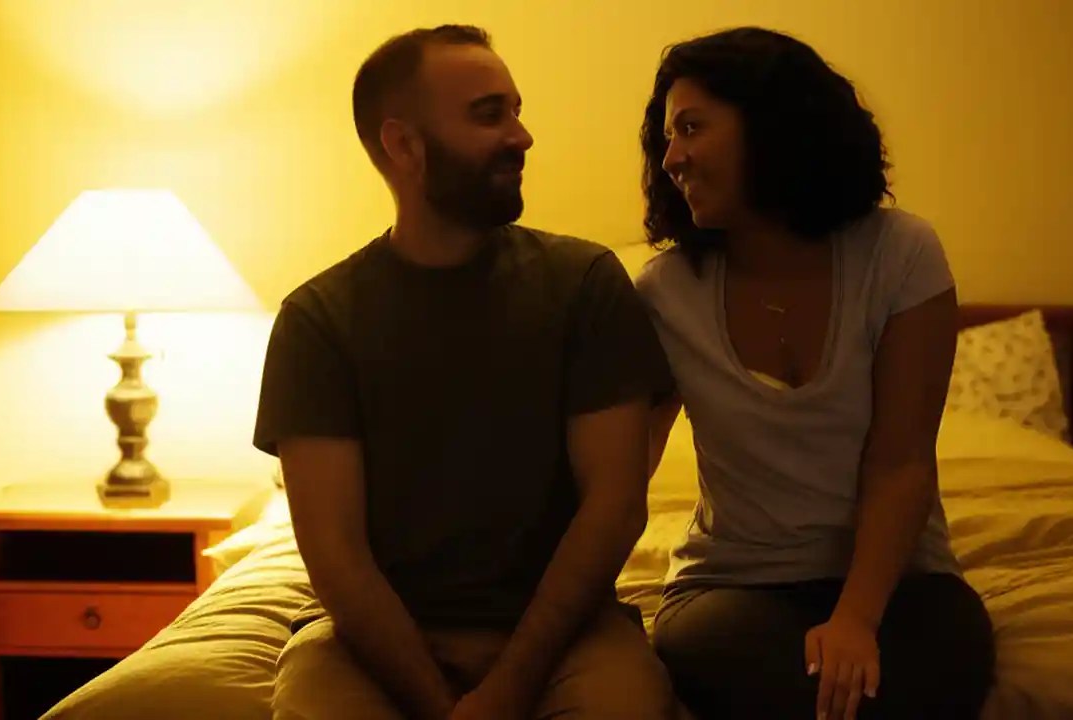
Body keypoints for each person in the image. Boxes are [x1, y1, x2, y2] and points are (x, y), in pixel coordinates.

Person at [253, 25, 676, 720]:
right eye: (489, 115)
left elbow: (615, 505)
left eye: (515, 108)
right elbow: (335, 554)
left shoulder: (585, 284)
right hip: (374, 639)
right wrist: (436, 700)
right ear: (403, 145)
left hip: (566, 634)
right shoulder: (318, 320)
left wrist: (507, 688)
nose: (522, 135)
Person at [636, 27, 996, 720]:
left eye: (690, 127)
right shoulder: (664, 292)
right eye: (666, 137)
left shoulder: (901, 254)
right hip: (732, 588)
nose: (671, 157)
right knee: (779, 680)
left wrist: (856, 619)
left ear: (771, 125)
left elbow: (901, 463)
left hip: (901, 581)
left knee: (929, 672)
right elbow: (627, 467)